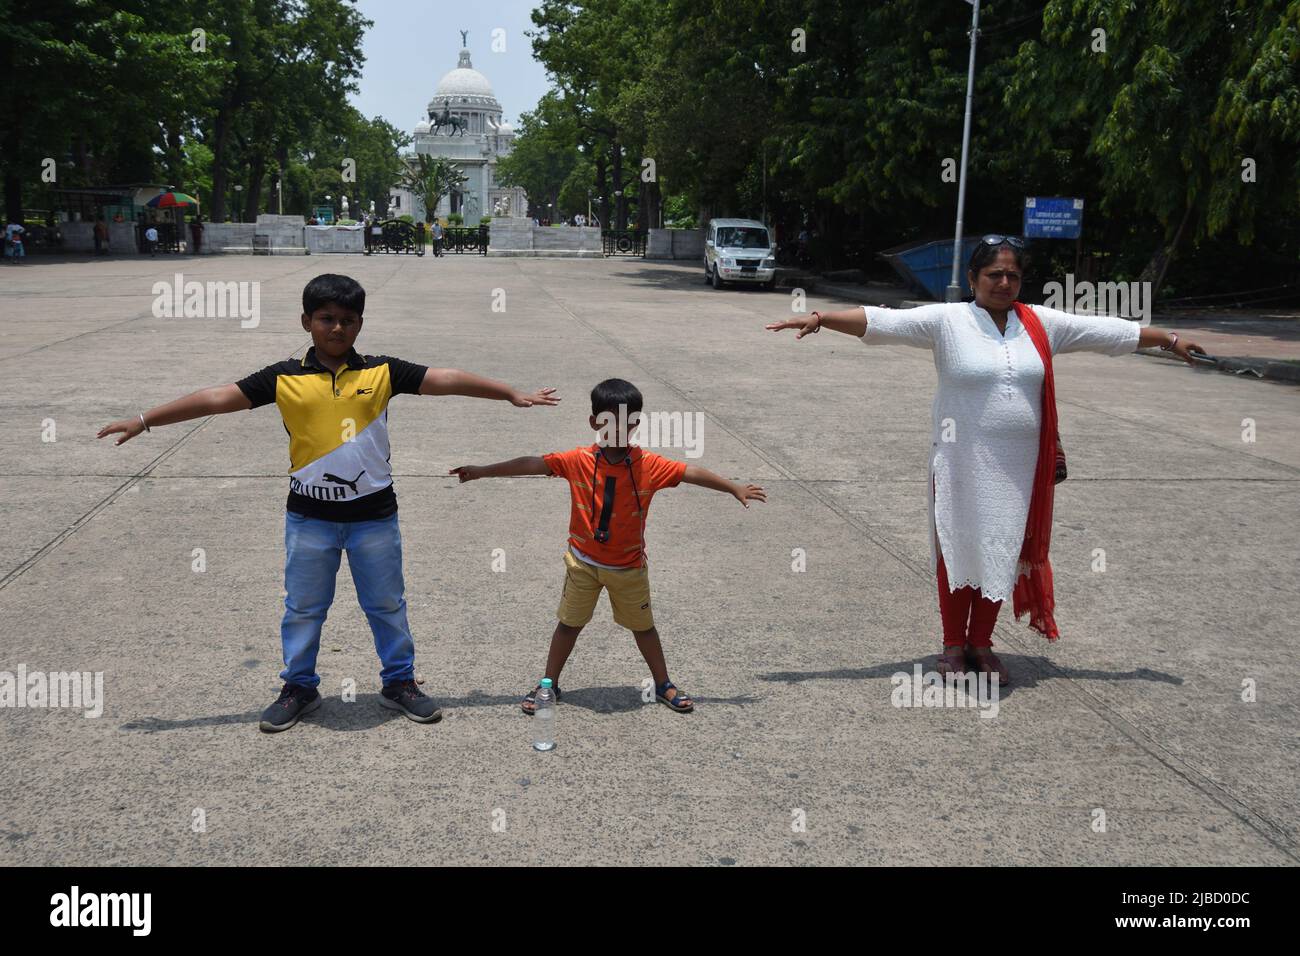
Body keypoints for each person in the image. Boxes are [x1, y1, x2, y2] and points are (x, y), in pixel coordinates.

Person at [96, 273, 561, 732]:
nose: (337, 328)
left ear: (360, 323)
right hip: (309, 518)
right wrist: (145, 420)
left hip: (373, 516)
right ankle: (299, 688)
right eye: (326, 318)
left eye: (348, 320)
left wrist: (509, 393)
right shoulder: (283, 377)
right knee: (303, 607)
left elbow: (446, 378)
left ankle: (399, 684)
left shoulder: (381, 371)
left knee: (386, 605)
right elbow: (217, 398)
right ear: (306, 321)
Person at [766, 235, 1206, 684]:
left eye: (1013, 274)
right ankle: (953, 644)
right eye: (994, 273)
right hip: (959, 461)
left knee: (1000, 547)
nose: (1004, 281)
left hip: (1018, 467)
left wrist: (1169, 340)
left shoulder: (1040, 323)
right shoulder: (948, 320)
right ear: (973, 278)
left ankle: (981, 643)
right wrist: (820, 319)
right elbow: (881, 321)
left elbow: (1109, 333)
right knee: (958, 546)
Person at [450, 378, 766, 716]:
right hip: (582, 563)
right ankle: (548, 683)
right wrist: (483, 471)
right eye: (609, 422)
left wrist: (733, 487)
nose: (618, 430)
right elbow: (531, 463)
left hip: (628, 568)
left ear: (636, 425)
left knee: (643, 628)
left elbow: (692, 472)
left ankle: (663, 684)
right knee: (568, 625)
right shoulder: (577, 460)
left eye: (627, 423)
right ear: (594, 423)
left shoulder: (651, 466)